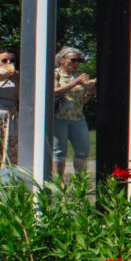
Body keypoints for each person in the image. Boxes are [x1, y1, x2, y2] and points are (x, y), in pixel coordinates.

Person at [51, 49, 92, 178]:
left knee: (83, 151)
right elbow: (54, 92)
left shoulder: (78, 76)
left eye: (79, 60)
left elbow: (82, 100)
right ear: (61, 60)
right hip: (59, 117)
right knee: (59, 152)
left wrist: (89, 90)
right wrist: (75, 83)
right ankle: (58, 183)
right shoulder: (55, 74)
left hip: (77, 117)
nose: (76, 63)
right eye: (73, 60)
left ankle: (80, 182)